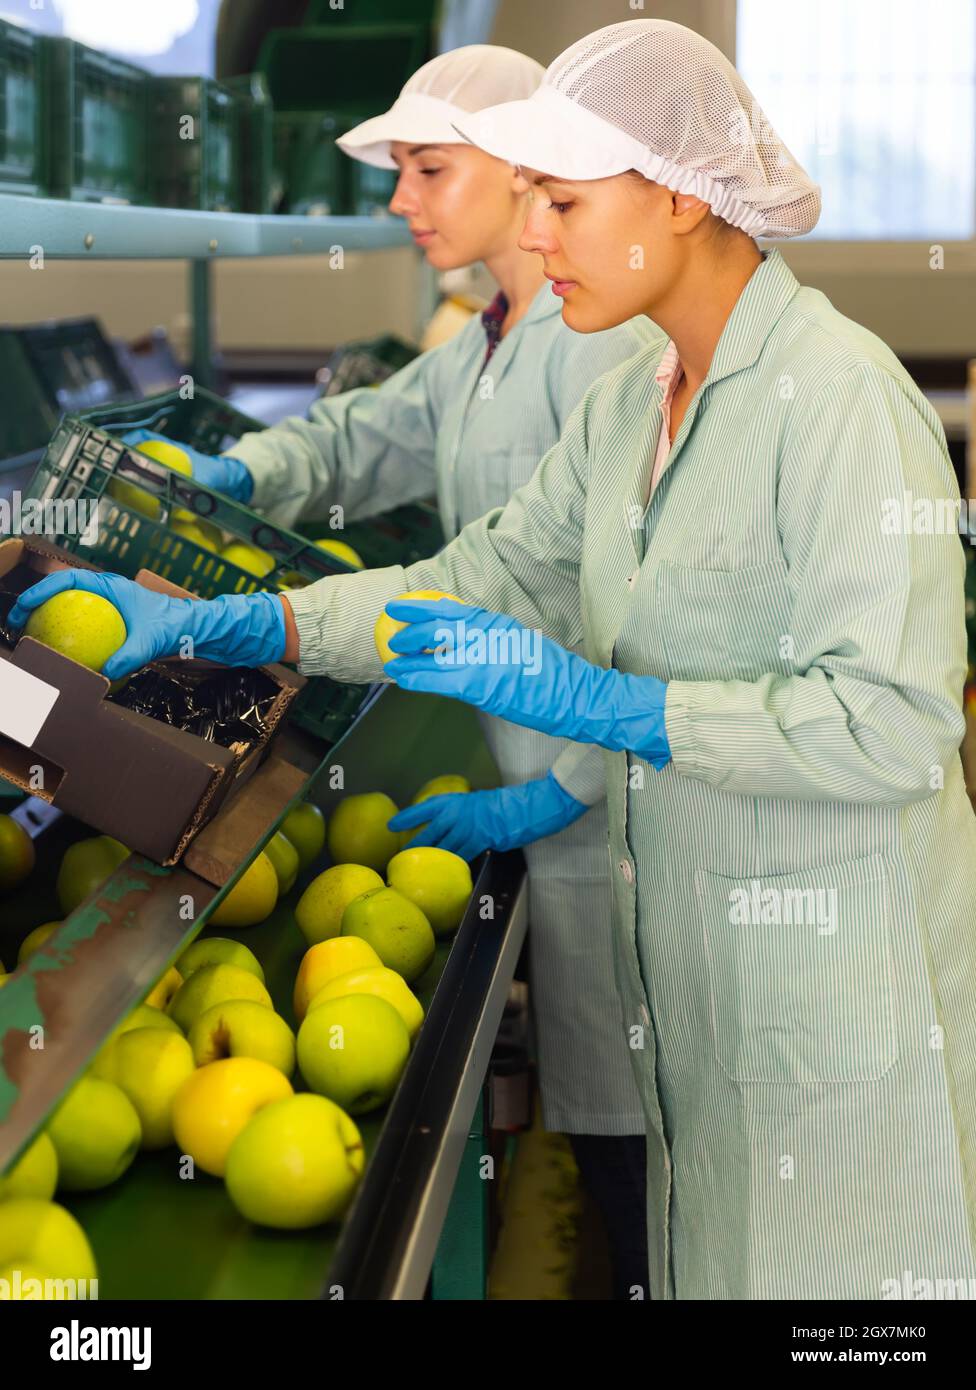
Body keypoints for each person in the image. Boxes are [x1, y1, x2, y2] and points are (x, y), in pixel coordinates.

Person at [17, 16, 974, 1300]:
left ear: (684, 199)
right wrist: (254, 624)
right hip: (695, 990)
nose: (534, 235)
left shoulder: (841, 402)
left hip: (833, 1011)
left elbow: (897, 725)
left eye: (566, 203)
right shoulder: (632, 404)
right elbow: (475, 574)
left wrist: (614, 708)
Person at [42, 45, 661, 1298]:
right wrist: (227, 482)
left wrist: (569, 787)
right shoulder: (495, 333)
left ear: (525, 171)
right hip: (546, 781)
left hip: (623, 816)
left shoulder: (591, 349)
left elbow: (649, 622)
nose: (398, 200)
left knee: (647, 1160)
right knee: (613, 1137)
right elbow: (362, 436)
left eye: (429, 168)